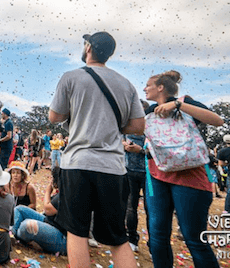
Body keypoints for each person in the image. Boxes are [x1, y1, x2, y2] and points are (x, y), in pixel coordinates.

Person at [48, 32, 145, 268]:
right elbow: (138, 127)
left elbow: (54, 117)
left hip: (78, 163)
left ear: (89, 47)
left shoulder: (71, 77)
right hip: (112, 167)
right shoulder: (126, 83)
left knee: (77, 231)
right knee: (117, 238)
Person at [144, 70, 223, 268]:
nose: (145, 88)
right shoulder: (149, 111)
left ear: (160, 87)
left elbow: (217, 120)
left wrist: (179, 105)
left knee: (194, 238)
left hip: (190, 177)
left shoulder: (185, 102)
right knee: (157, 236)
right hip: (156, 174)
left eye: (148, 85)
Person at [12, 166, 67, 255]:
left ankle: (18, 235)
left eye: (52, 178)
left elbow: (47, 209)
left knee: (26, 225)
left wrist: (48, 191)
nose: (50, 180)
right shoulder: (63, 192)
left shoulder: (66, 195)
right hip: (49, 221)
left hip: (61, 238)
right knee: (20, 209)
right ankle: (11, 234)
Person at [122, 133, 146, 252]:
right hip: (129, 171)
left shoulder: (151, 118)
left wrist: (140, 150)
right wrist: (124, 145)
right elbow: (119, 139)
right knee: (131, 207)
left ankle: (153, 246)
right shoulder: (127, 121)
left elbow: (156, 148)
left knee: (151, 210)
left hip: (149, 173)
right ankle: (132, 239)